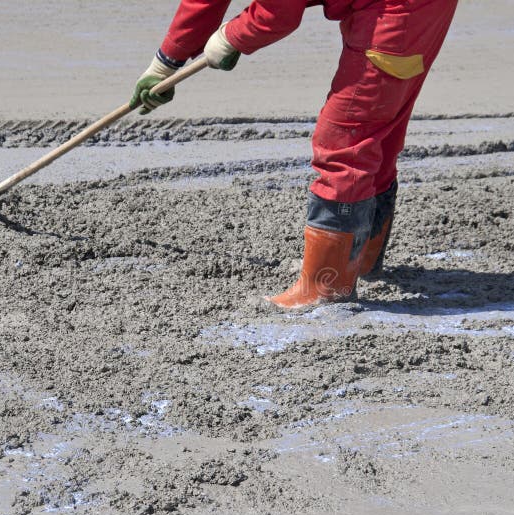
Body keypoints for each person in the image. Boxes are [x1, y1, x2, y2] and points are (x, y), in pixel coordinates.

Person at [131, 0, 458, 309]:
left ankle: (324, 288)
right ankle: (360, 263)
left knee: (346, 138)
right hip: (402, 10)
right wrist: (166, 62)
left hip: (400, 11)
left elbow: (277, 14)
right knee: (379, 131)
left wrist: (231, 37)